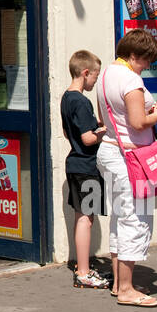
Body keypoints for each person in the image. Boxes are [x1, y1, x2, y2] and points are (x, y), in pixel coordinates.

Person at [97, 29, 157, 307]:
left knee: (120, 216)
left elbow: (110, 117)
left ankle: (118, 283)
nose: (148, 65)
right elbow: (139, 123)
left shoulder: (105, 74)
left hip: (110, 151)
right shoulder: (130, 79)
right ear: (133, 55)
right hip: (130, 157)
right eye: (146, 60)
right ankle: (126, 289)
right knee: (135, 219)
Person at [61, 50, 109, 289]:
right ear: (85, 72)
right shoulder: (81, 101)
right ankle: (83, 272)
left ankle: (82, 268)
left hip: (74, 164)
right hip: (86, 165)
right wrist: (105, 131)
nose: (96, 81)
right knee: (86, 220)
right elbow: (88, 139)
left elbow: (67, 132)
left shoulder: (66, 98)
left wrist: (93, 126)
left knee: (82, 217)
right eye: (95, 76)